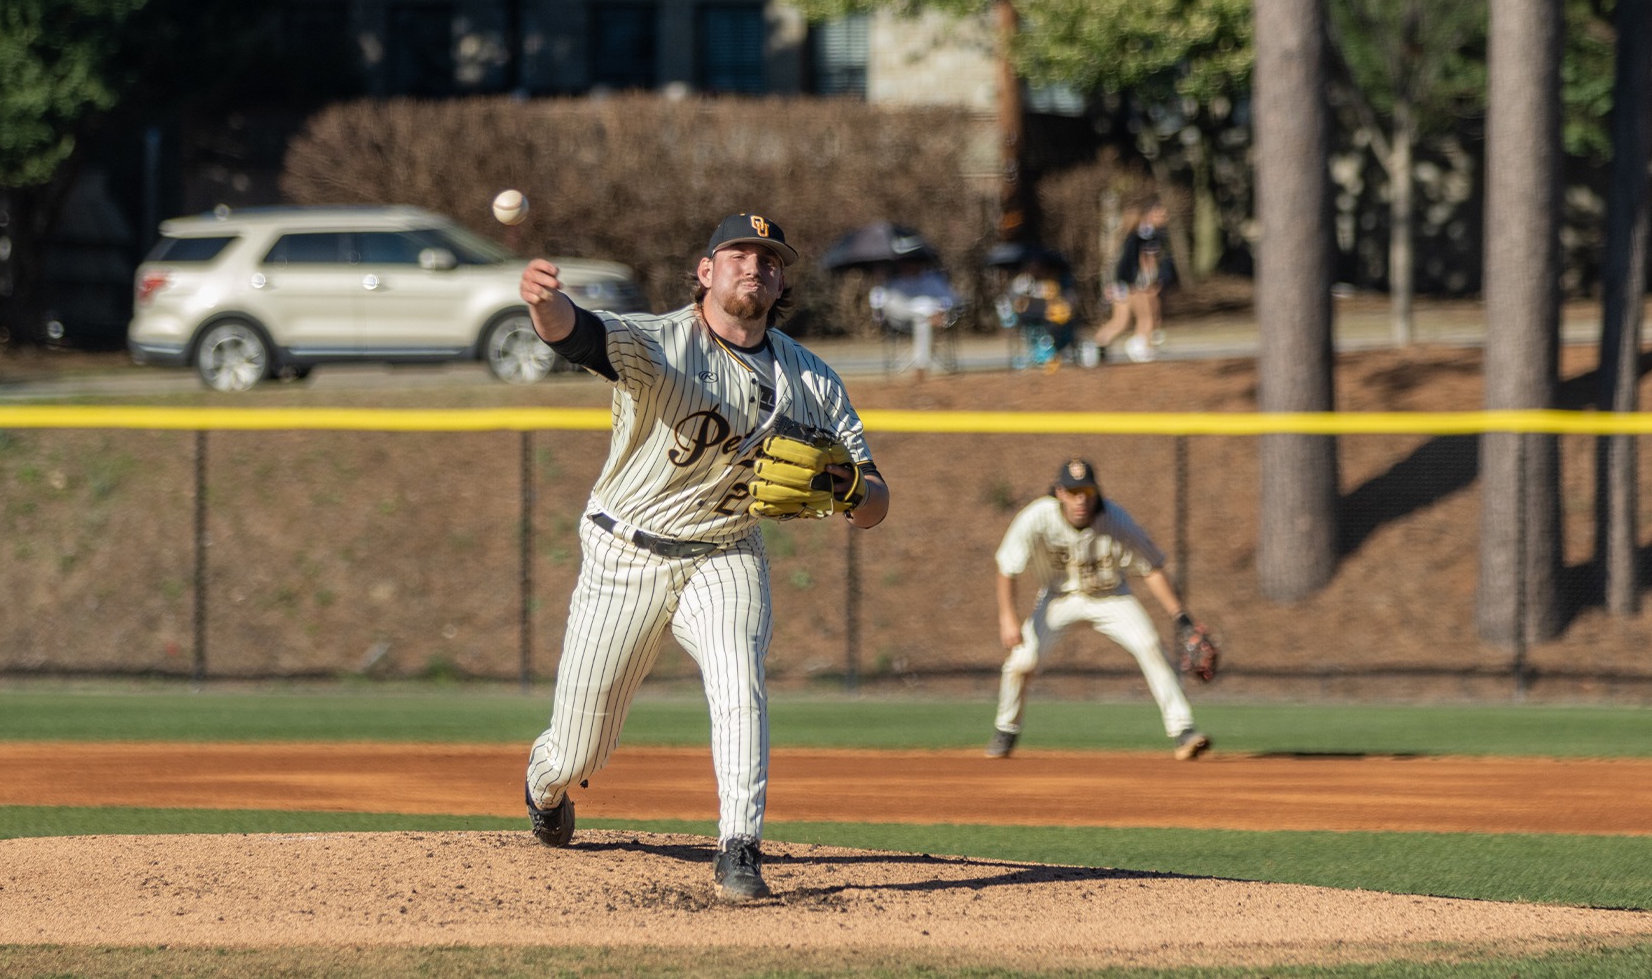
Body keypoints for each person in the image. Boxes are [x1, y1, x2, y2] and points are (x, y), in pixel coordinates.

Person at [518, 212, 891, 903]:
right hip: (623, 553)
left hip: (725, 551)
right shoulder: (660, 342)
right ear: (705, 270)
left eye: (771, 259)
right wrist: (546, 305)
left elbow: (876, 501)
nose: (757, 266)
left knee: (738, 675)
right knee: (579, 750)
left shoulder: (813, 379)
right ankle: (544, 786)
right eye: (741, 254)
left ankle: (740, 847)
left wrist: (847, 487)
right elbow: (584, 337)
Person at [984, 457, 1209, 761]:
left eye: (1087, 492)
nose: (1081, 500)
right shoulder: (1037, 517)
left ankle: (1184, 730)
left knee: (1150, 644)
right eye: (1074, 492)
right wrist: (1007, 617)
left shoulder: (1116, 519)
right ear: (1059, 492)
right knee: (1022, 661)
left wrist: (1181, 618)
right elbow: (1007, 565)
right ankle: (1005, 730)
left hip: (1111, 596)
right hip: (1058, 598)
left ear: (1095, 492)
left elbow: (1151, 567)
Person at [1093, 200, 1176, 362]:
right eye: (1161, 214)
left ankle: (1097, 346)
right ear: (1150, 214)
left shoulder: (1133, 234)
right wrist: (1149, 281)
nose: (1164, 218)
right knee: (1147, 315)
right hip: (1133, 283)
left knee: (1121, 321)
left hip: (1122, 282)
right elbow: (1146, 261)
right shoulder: (1146, 235)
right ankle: (1139, 345)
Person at [869, 254, 958, 375]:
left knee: (922, 320)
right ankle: (927, 314)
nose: (911, 267)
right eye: (907, 263)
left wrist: (941, 309)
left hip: (927, 319)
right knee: (896, 301)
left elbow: (949, 299)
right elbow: (878, 303)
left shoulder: (932, 280)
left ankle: (921, 366)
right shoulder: (893, 282)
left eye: (915, 263)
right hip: (899, 319)